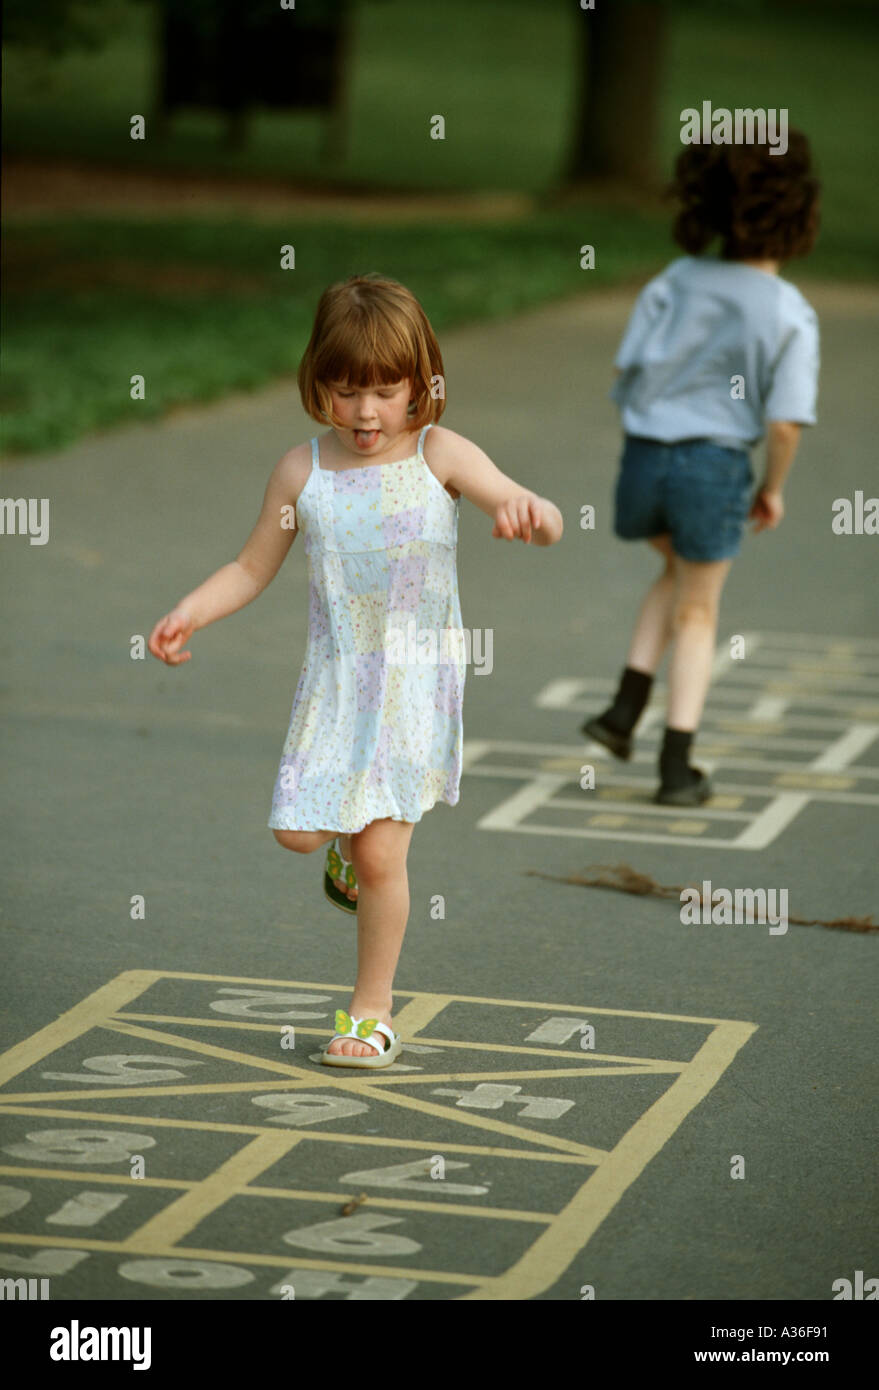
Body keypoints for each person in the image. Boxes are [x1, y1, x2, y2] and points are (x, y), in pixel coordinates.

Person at [149, 273, 563, 1068]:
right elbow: (250, 566)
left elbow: (533, 513)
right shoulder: (301, 474)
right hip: (338, 680)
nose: (365, 412)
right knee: (297, 835)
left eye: (383, 390)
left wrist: (531, 518)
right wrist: (191, 610)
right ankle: (343, 847)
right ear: (319, 385)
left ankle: (370, 1012)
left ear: (419, 384)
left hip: (414, 680)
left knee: (384, 857)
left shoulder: (441, 454)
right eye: (346, 392)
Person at [583, 131, 821, 804]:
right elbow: (781, 423)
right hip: (713, 467)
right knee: (699, 611)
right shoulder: (787, 312)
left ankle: (622, 711)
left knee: (673, 571)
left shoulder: (675, 279)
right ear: (798, 214)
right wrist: (770, 489)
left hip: (642, 459)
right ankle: (675, 767)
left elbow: (625, 369)